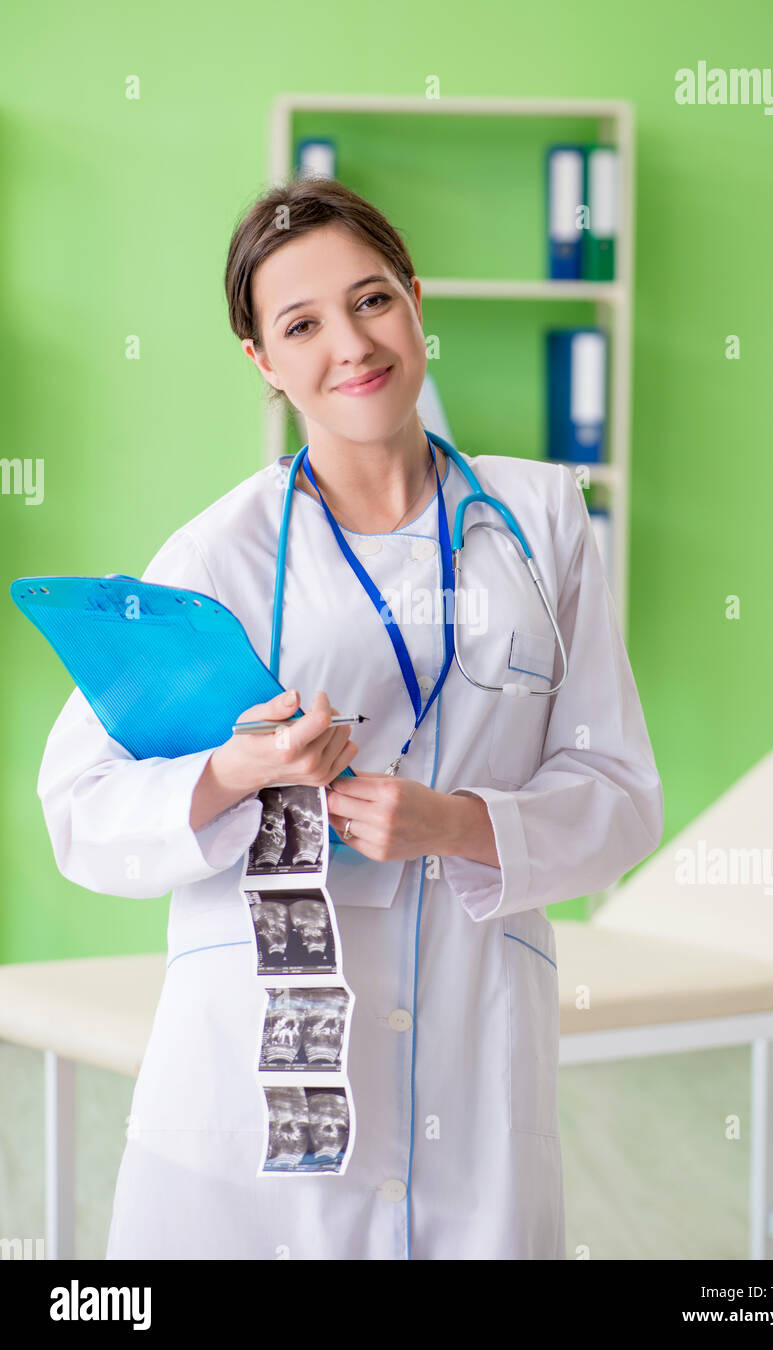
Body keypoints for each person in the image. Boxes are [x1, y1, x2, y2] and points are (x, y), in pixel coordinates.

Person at [36, 177, 664, 1260]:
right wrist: (234, 774)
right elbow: (78, 806)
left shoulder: (544, 523)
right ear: (262, 362)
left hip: (476, 1074)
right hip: (253, 1092)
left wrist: (454, 823)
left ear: (418, 303)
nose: (351, 345)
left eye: (372, 300)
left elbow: (621, 799)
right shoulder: (216, 557)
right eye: (301, 324)